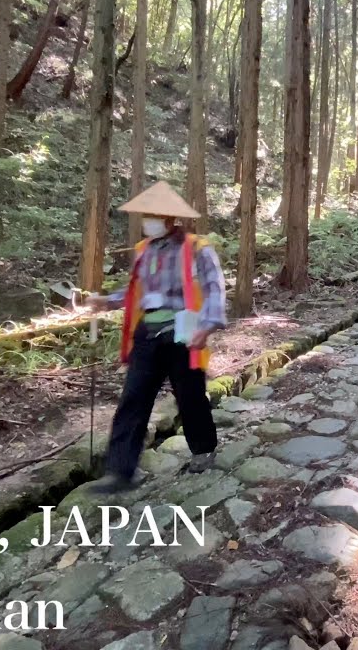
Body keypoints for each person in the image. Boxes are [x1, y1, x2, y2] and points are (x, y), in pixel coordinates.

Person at [85, 181, 228, 494]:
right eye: (145, 215)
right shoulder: (143, 251)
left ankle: (203, 450)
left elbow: (214, 286)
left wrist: (209, 324)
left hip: (184, 332)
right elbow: (137, 291)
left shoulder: (196, 248)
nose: (147, 221)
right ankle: (121, 471)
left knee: (190, 396)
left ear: (168, 219)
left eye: (153, 215)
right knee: (133, 397)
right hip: (148, 333)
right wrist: (107, 301)